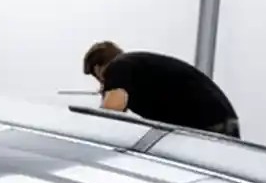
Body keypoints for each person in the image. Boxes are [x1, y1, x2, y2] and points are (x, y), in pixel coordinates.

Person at [82, 41, 240, 138]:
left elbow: (110, 114)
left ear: (97, 69)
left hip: (207, 127)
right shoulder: (138, 66)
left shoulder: (118, 67)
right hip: (221, 121)